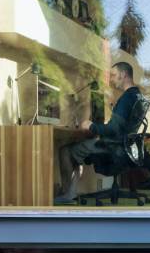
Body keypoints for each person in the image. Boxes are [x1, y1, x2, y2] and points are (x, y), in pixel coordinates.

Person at [54, 62, 143, 203]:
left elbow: (114, 127)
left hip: (113, 146)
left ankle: (65, 193)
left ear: (123, 74)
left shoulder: (127, 97)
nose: (112, 79)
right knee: (77, 150)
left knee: (66, 150)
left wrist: (92, 126)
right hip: (124, 147)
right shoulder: (137, 95)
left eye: (113, 75)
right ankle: (70, 193)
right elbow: (120, 126)